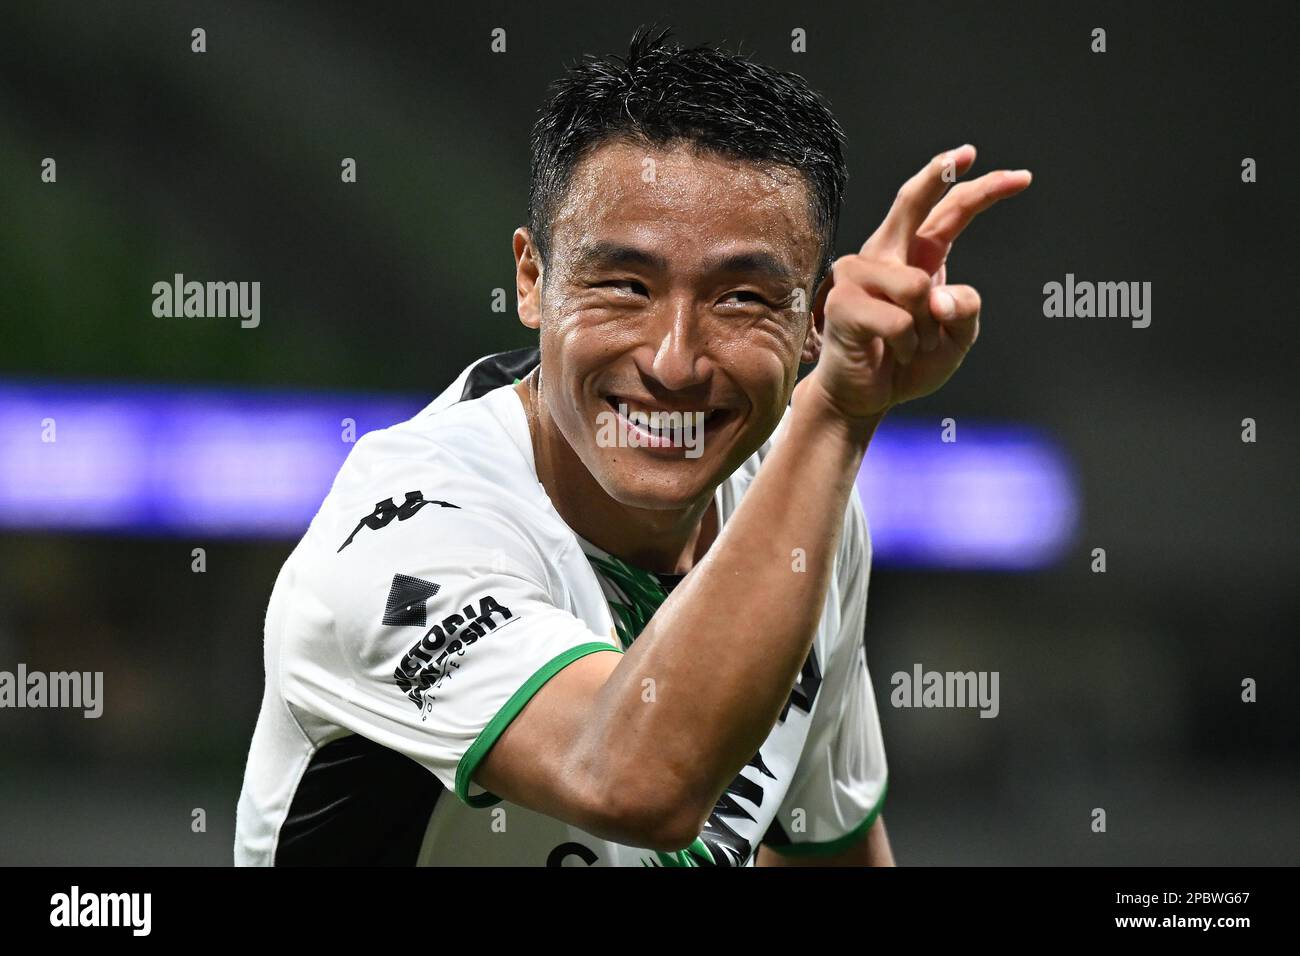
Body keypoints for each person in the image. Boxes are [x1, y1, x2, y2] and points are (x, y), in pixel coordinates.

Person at [234, 26, 1030, 866]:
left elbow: (822, 850)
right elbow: (635, 781)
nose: (673, 360)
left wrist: (829, 429)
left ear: (811, 321)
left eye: (743, 297)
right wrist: (836, 412)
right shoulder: (403, 538)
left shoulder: (802, 507)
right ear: (532, 280)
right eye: (625, 286)